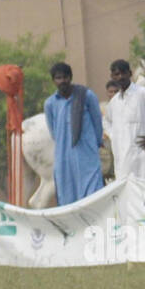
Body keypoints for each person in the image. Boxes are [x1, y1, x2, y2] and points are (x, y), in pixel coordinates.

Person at [43, 63, 103, 206]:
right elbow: (53, 132)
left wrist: (94, 144)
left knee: (93, 196)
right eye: (58, 78)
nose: (62, 81)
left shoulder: (86, 96)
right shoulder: (50, 104)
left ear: (70, 77)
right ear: (54, 81)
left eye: (65, 77)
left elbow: (97, 124)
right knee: (67, 197)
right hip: (64, 157)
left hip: (87, 155)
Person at [106, 59, 145, 182]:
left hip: (144, 163)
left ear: (130, 73)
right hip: (123, 166)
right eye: (117, 74)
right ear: (112, 77)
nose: (121, 77)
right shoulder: (114, 103)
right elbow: (106, 122)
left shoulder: (143, 94)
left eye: (123, 73)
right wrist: (114, 137)